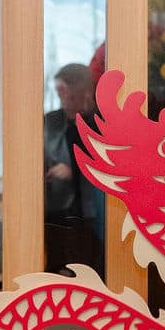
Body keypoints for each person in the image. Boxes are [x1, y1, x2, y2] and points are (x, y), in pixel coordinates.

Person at [42, 63, 104, 271]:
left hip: (89, 214)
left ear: (85, 92)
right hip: (55, 211)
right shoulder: (50, 122)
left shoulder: (100, 122)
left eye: (69, 96)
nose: (64, 102)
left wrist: (74, 170)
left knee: (89, 269)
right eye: (60, 96)